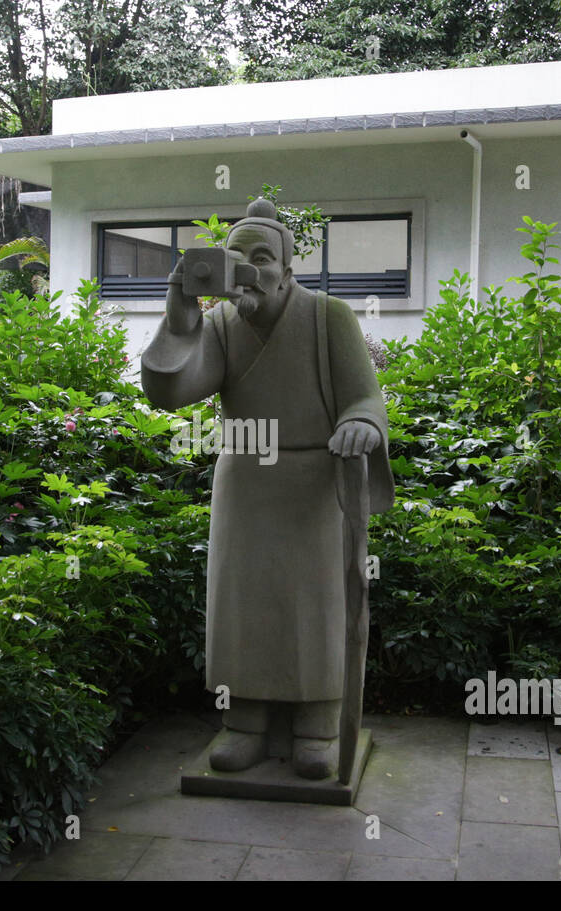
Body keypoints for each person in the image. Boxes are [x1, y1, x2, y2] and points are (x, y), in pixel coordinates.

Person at [141, 197, 394, 780]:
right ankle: (245, 721)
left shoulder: (328, 316)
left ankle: (318, 726)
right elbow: (171, 391)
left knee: (316, 606)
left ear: (288, 269)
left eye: (263, 258)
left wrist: (360, 423)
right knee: (242, 606)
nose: (250, 270)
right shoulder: (223, 326)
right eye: (236, 258)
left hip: (315, 483)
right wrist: (182, 313)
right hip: (245, 482)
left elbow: (364, 395)